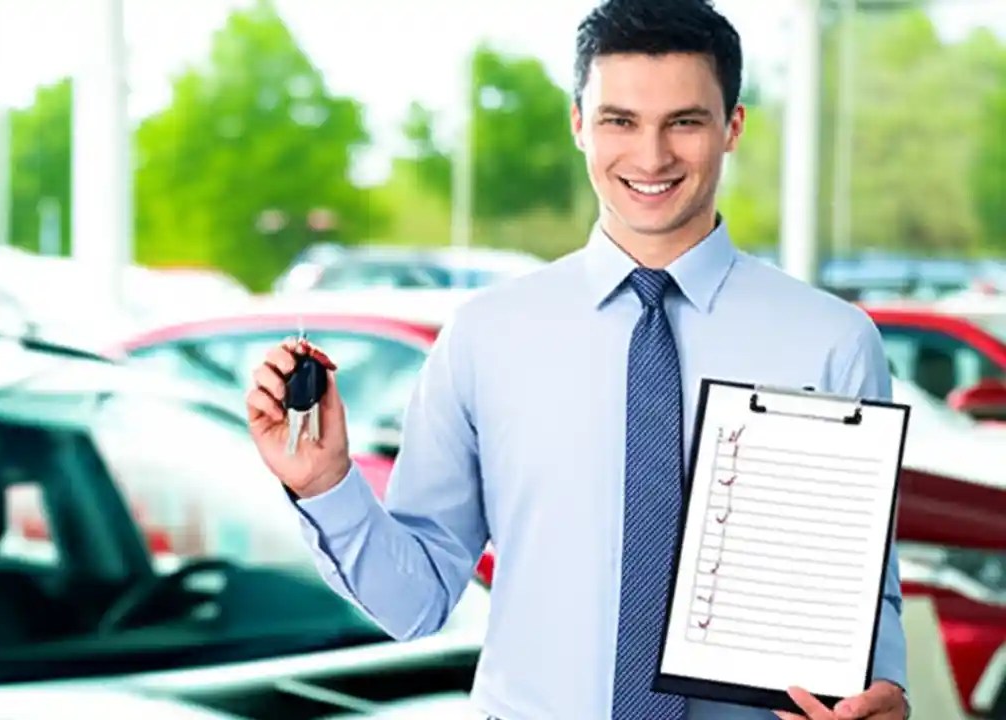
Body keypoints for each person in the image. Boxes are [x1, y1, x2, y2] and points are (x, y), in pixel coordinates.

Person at [244, 0, 910, 718]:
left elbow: (860, 592)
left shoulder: (831, 341)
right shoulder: (484, 338)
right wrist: (327, 487)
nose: (651, 157)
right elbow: (418, 602)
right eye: (620, 121)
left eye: (683, 122)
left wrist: (881, 689)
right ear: (578, 125)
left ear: (732, 128)